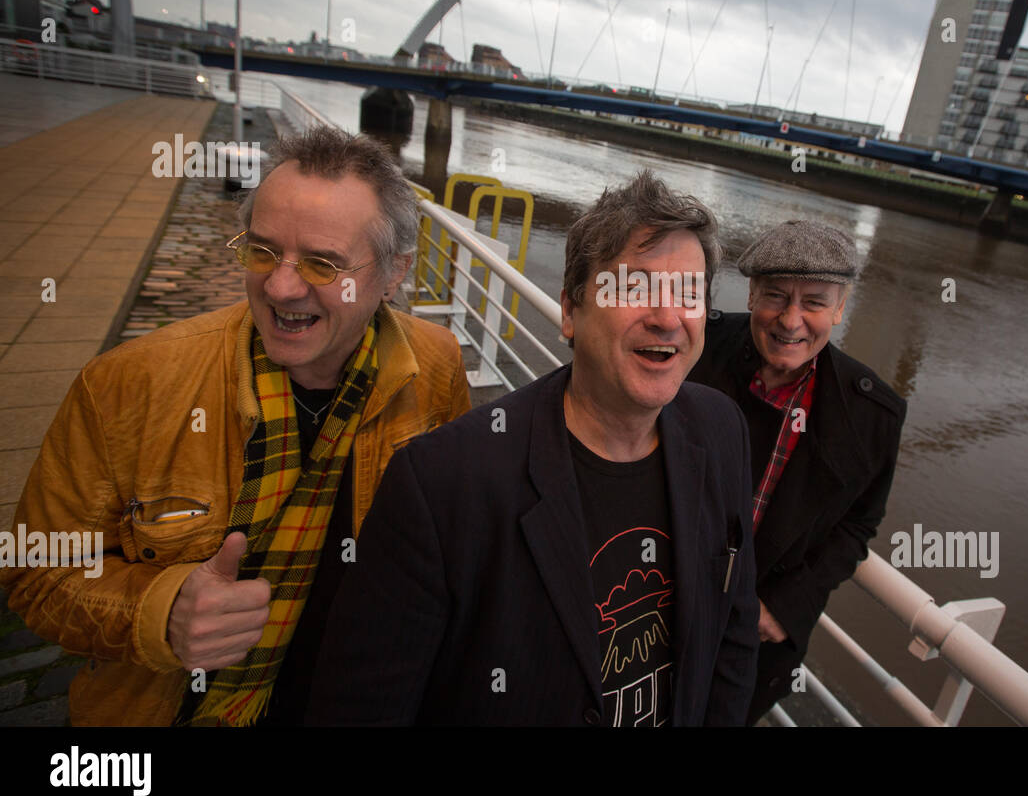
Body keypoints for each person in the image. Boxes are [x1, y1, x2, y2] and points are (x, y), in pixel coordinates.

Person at [0, 125, 471, 726]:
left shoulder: (436, 366)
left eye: (323, 264)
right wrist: (160, 612)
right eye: (263, 250)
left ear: (394, 270)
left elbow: (450, 537)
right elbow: (35, 573)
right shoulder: (125, 387)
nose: (279, 286)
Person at [306, 170, 758, 726]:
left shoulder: (721, 430)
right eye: (633, 288)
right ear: (571, 311)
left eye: (687, 294)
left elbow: (733, 632)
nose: (666, 318)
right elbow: (360, 708)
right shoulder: (444, 483)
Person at [687, 220, 906, 724]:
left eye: (813, 302)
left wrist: (788, 606)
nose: (791, 321)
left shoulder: (873, 415)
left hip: (754, 636)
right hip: (656, 595)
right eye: (776, 296)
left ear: (840, 308)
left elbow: (858, 525)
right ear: (751, 293)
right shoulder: (698, 344)